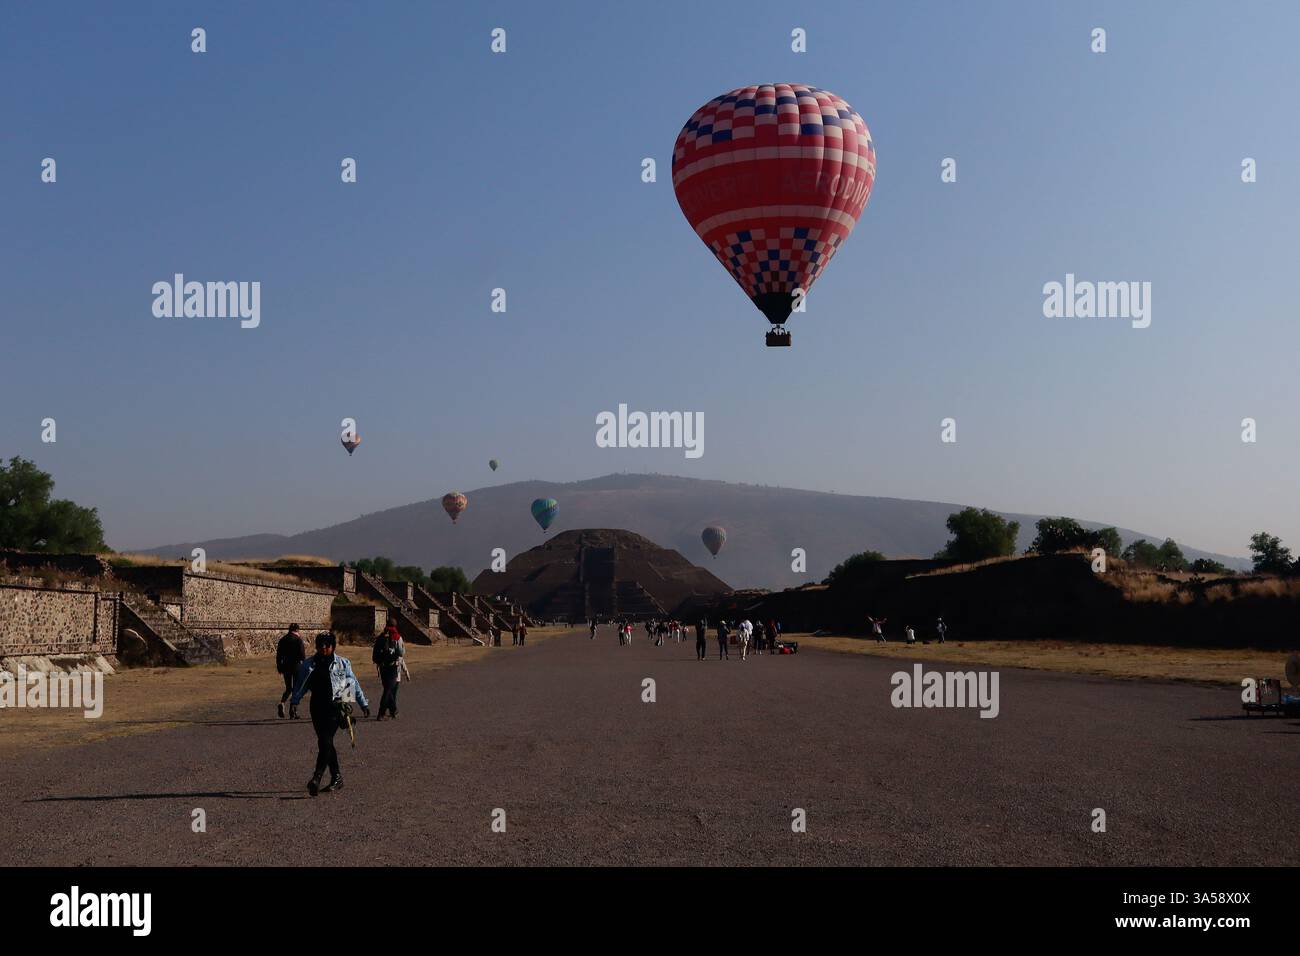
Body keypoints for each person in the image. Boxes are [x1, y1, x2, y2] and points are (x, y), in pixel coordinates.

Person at [289, 632, 369, 796]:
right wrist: (294, 702)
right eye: (320, 645)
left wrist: (363, 704)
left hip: (336, 707)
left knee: (325, 741)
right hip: (317, 707)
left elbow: (352, 683)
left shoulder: (343, 663)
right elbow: (300, 685)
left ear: (333, 646)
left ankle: (316, 778)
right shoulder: (309, 665)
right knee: (325, 742)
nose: (323, 648)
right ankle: (337, 777)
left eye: (326, 645)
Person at [372, 622, 406, 720]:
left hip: (382, 667)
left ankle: (393, 710)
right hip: (392, 667)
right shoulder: (397, 637)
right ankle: (381, 713)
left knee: (388, 689)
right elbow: (401, 652)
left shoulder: (380, 637)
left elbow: (375, 653)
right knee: (388, 690)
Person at [276, 624, 306, 718]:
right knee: (296, 689)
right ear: (297, 630)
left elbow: (278, 655)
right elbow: (302, 655)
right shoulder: (298, 640)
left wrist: (279, 667)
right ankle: (293, 712)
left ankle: (282, 702)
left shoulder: (283, 640)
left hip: (285, 666)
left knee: (288, 688)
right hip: (296, 666)